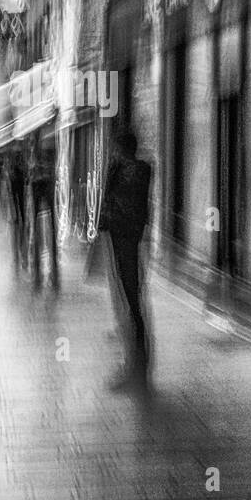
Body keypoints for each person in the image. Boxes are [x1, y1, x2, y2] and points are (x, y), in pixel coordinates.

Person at [99, 130, 153, 391]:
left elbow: (109, 203)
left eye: (114, 148)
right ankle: (138, 366)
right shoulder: (142, 170)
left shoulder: (125, 172)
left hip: (124, 243)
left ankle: (135, 368)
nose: (112, 153)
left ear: (121, 150)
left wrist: (112, 170)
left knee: (129, 305)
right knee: (134, 304)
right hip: (132, 242)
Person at [28, 137, 59, 291]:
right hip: (42, 183)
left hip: (41, 183)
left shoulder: (38, 137)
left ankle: (45, 271)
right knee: (47, 228)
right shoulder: (44, 137)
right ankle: (46, 271)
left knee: (43, 228)